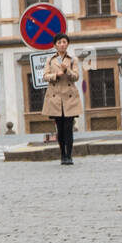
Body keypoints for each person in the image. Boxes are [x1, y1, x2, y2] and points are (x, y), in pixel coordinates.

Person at [42, 35, 82, 164]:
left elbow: (76, 77)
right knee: (60, 129)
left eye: (64, 42)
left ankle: (69, 155)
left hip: (69, 98)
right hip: (56, 98)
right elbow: (45, 76)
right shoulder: (50, 60)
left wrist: (67, 70)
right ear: (55, 45)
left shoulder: (73, 59)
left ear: (68, 44)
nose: (62, 44)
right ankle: (62, 155)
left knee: (69, 128)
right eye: (59, 42)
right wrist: (56, 75)